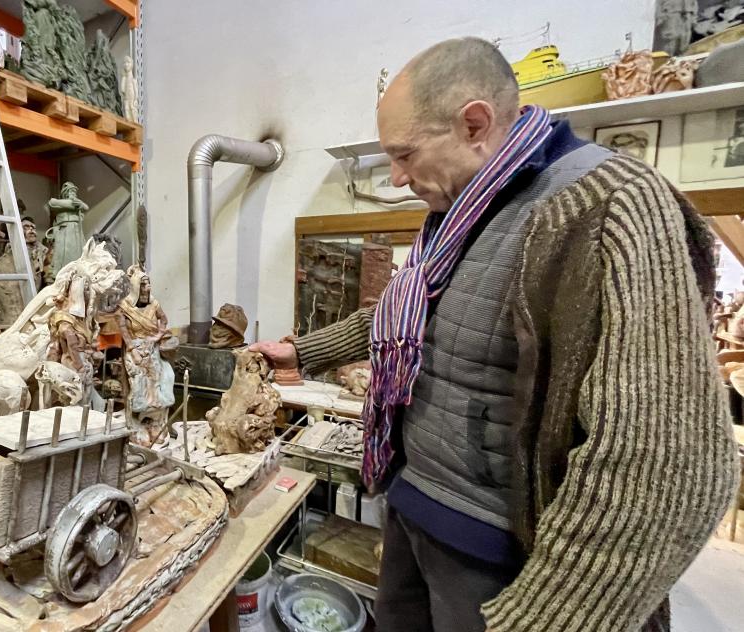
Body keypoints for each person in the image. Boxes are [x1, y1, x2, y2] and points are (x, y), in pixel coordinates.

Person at [251, 37, 737, 632]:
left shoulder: (609, 204)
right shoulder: (458, 215)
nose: (398, 179)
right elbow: (412, 316)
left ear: (475, 124)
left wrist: (551, 613)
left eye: (404, 155)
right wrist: (304, 351)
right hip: (412, 505)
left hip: (501, 556)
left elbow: (667, 461)